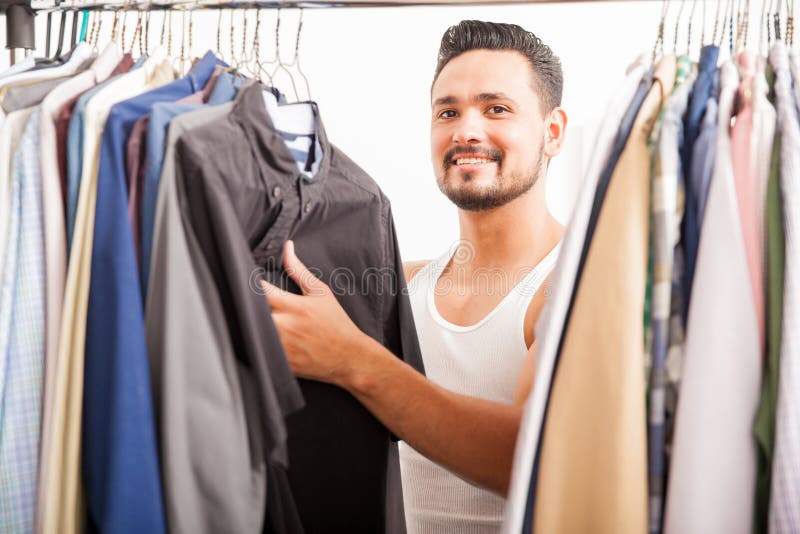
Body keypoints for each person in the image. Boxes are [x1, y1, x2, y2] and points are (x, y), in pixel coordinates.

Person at [261, 20, 567, 532]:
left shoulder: (569, 285)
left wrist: (352, 360)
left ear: (552, 133)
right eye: (448, 111)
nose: (466, 129)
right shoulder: (402, 285)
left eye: (497, 108)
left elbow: (529, 458)